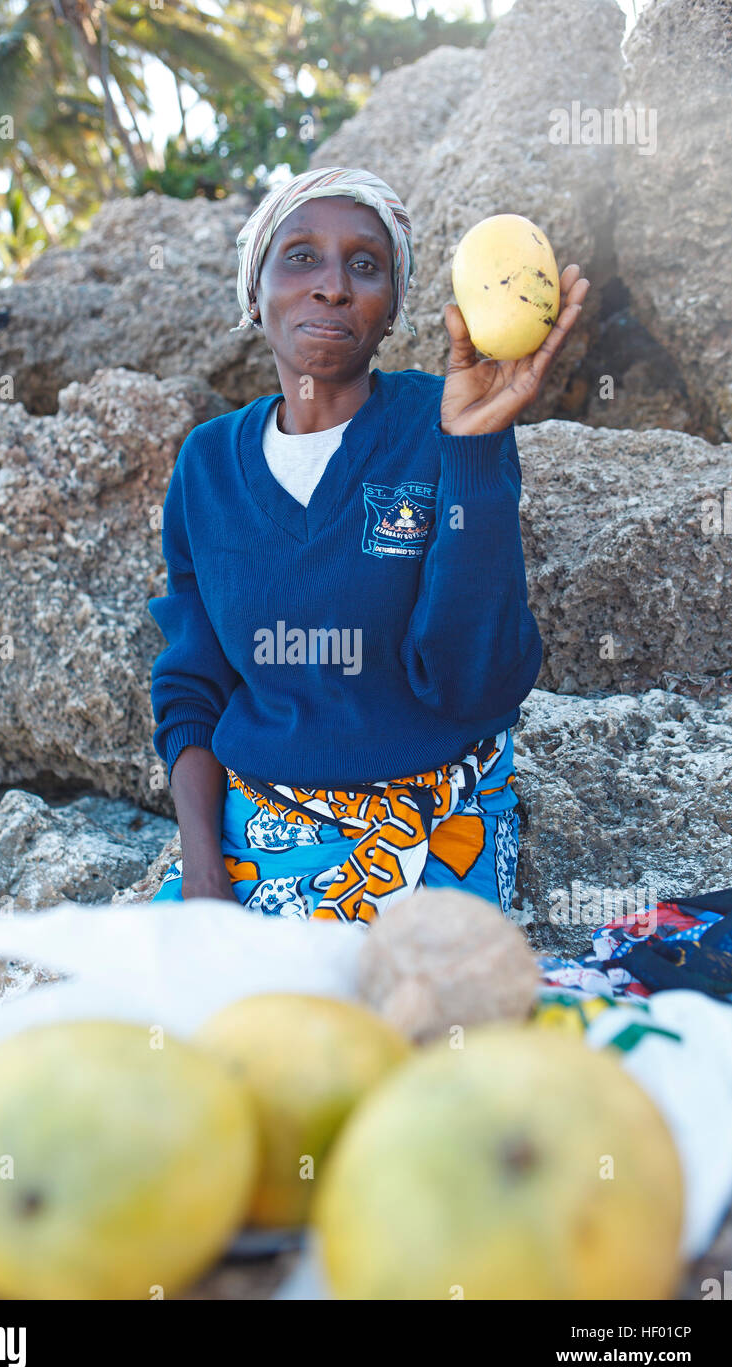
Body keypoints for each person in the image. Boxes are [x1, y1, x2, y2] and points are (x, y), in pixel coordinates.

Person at [148, 166, 589, 924]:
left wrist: (474, 451)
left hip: (431, 824)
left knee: (371, 1035)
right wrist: (203, 871)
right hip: (258, 826)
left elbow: (474, 686)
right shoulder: (208, 463)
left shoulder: (443, 421)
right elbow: (193, 687)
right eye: (300, 257)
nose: (332, 286)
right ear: (255, 294)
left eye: (364, 264)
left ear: (390, 310)